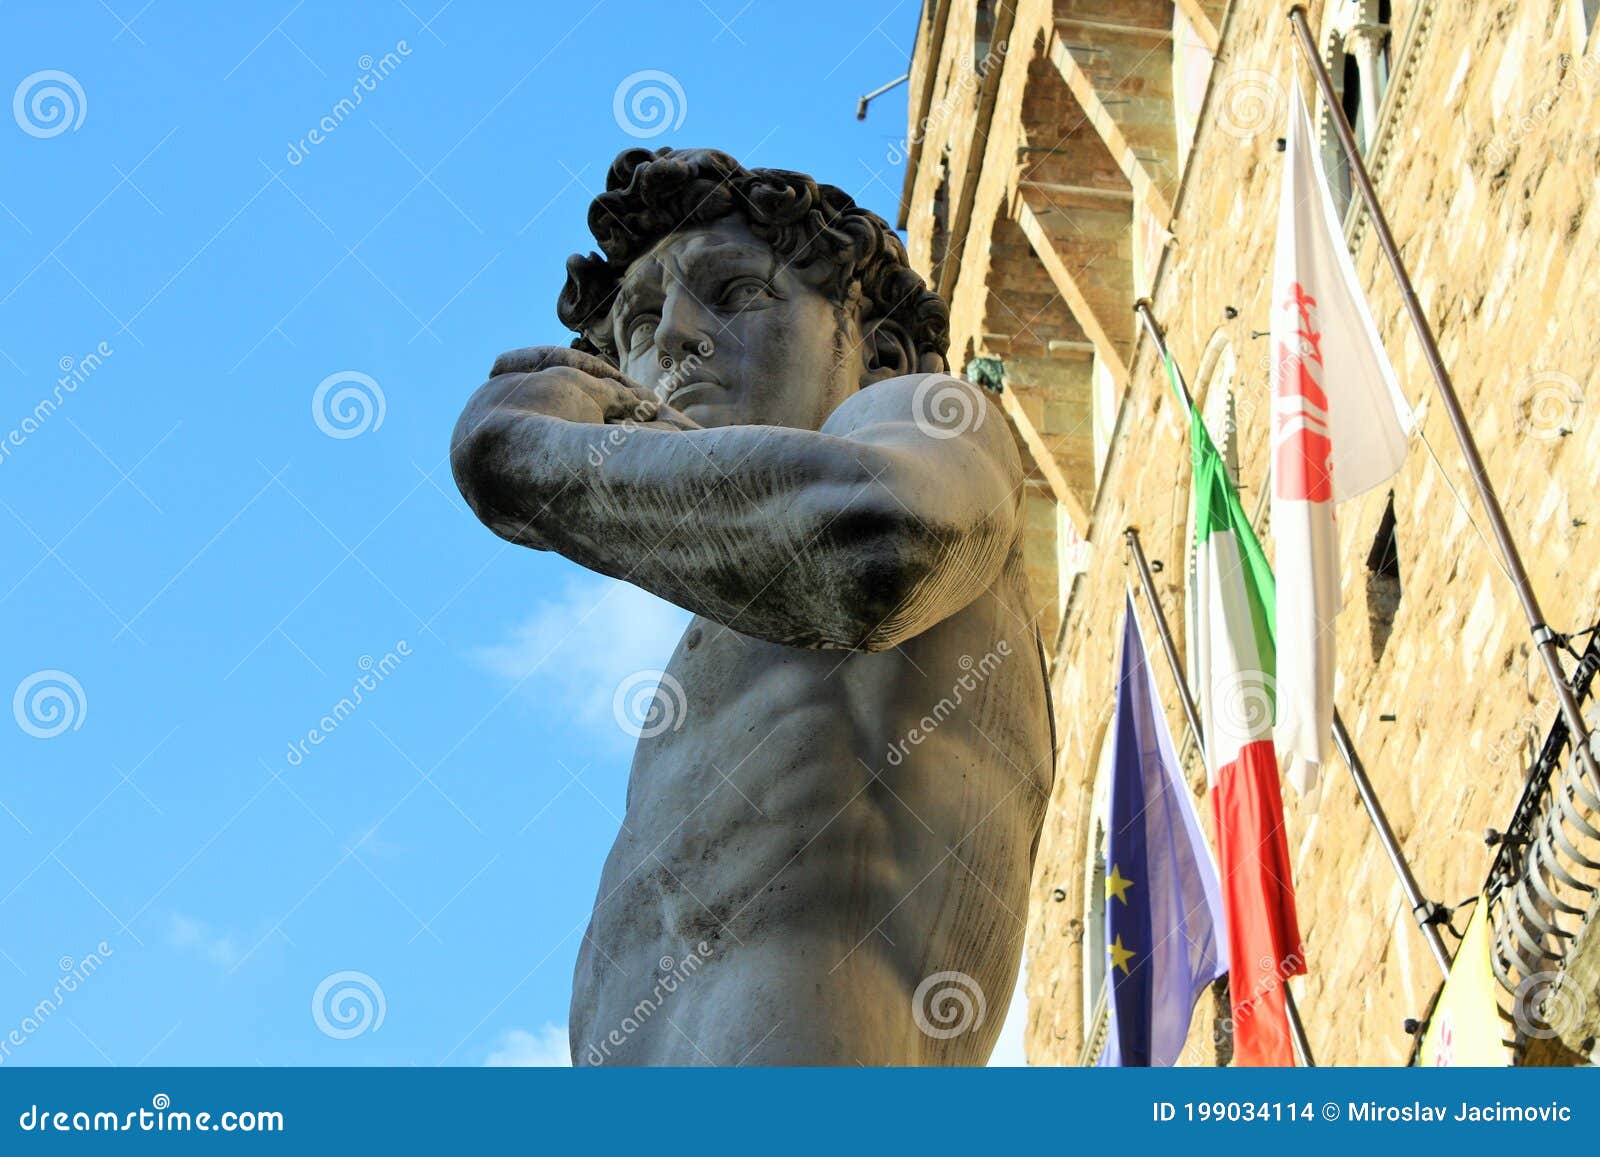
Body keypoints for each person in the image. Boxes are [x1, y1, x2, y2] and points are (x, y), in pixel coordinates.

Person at [450, 148, 1052, 1065]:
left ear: (879, 350)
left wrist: (532, 456)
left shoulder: (931, 415)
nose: (678, 338)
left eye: (735, 294)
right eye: (641, 321)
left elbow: (879, 538)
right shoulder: (711, 661)